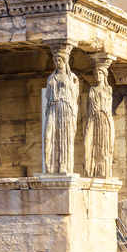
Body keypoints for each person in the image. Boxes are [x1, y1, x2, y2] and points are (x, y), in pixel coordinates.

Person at [43, 44, 79, 174]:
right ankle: (50, 167)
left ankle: (64, 167)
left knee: (65, 138)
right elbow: (47, 96)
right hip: (52, 108)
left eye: (60, 60)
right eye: (55, 60)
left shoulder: (72, 78)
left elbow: (75, 98)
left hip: (66, 109)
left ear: (65, 61)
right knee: (49, 135)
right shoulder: (51, 78)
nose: (57, 63)